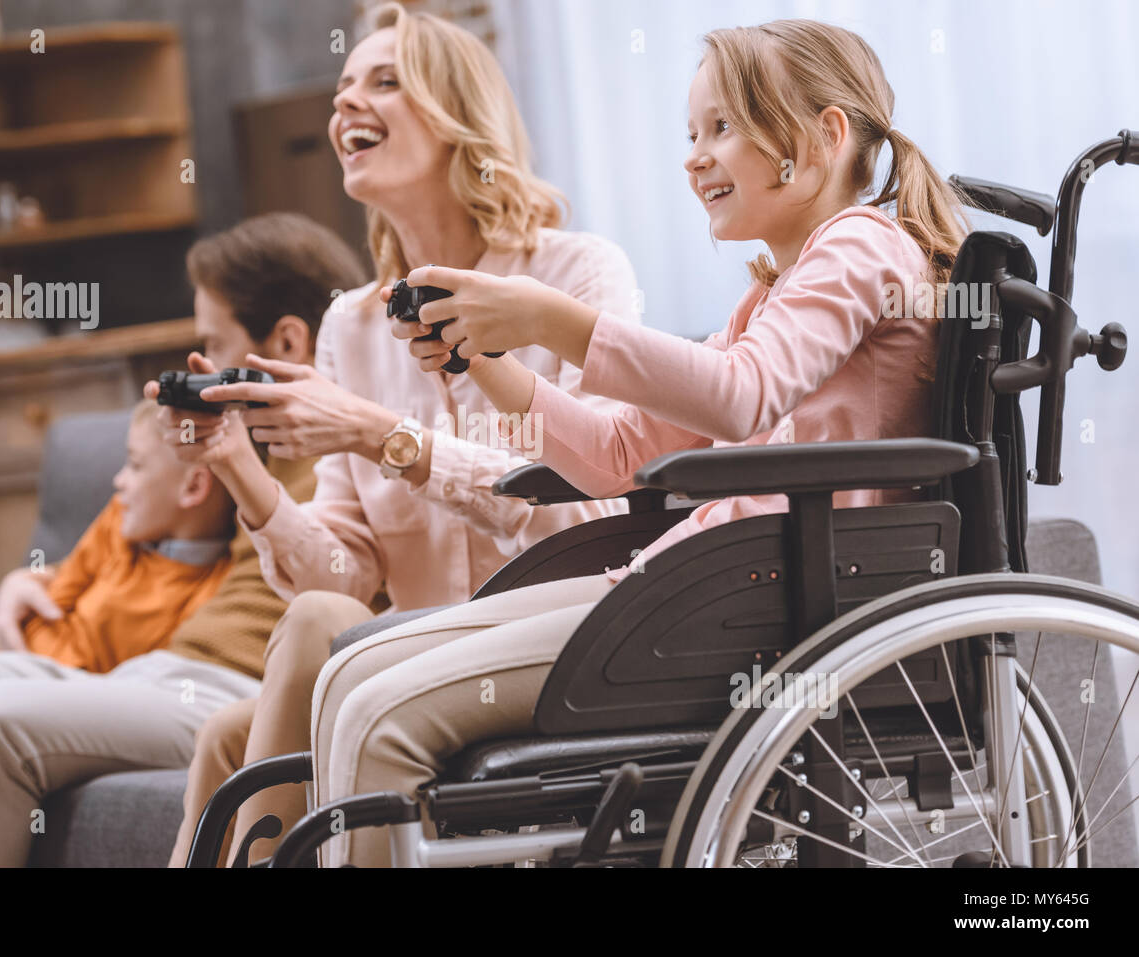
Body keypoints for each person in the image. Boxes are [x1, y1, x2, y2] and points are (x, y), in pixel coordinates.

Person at [309, 17, 972, 866]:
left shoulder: (861, 244)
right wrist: (488, 359)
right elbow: (617, 456)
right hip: (716, 580)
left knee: (376, 712)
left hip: (769, 596)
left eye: (721, 128)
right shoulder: (771, 295)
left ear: (824, 136)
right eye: (691, 134)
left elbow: (742, 398)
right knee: (348, 673)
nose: (695, 156)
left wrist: (556, 319)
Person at [164, 2, 642, 867]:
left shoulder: (573, 275)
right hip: (407, 653)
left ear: (460, 118)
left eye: (385, 82)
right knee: (237, 721)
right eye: (343, 86)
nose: (348, 103)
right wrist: (242, 469)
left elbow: (595, 501)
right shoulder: (350, 324)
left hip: (553, 645)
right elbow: (347, 576)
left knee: (286, 680)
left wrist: (389, 437)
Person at [0, 211, 366, 866]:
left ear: (287, 341)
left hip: (233, 689)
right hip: (154, 671)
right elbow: (141, 527)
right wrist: (30, 577)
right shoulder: (252, 443)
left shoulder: (349, 446)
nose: (201, 369)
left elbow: (347, 587)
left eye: (213, 341)